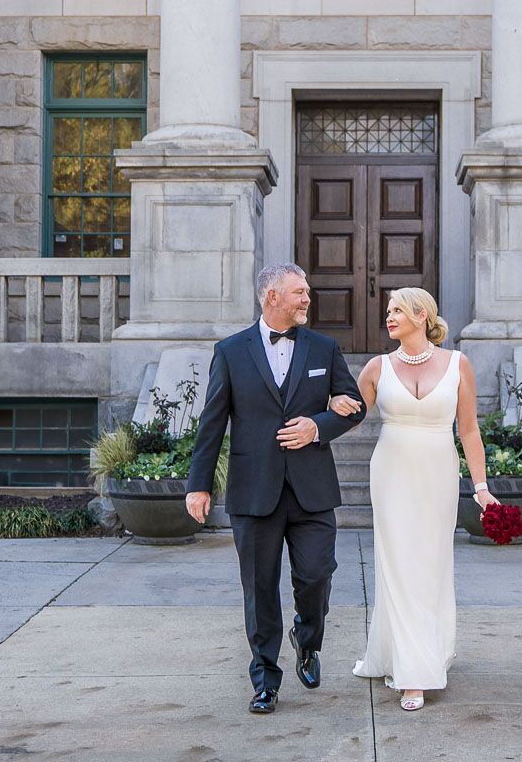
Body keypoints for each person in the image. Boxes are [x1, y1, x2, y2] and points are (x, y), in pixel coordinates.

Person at [185, 262, 367, 716]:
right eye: (299, 292)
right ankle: (265, 679)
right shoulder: (230, 351)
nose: (308, 299)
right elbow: (212, 422)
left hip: (312, 490)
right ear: (272, 297)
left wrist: (318, 425)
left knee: (317, 574)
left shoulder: (324, 348)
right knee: (260, 587)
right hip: (254, 490)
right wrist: (198, 485)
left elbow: (354, 407)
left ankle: (308, 640)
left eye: (306, 292)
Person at [336, 286, 496, 713]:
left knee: (431, 564)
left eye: (396, 311)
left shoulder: (458, 364)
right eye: (387, 311)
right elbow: (349, 419)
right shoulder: (376, 367)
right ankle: (413, 674)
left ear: (422, 315)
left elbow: (469, 432)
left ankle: (424, 649)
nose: (388, 317)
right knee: (399, 564)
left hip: (438, 473)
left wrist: (480, 488)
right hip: (390, 473)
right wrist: (326, 409)